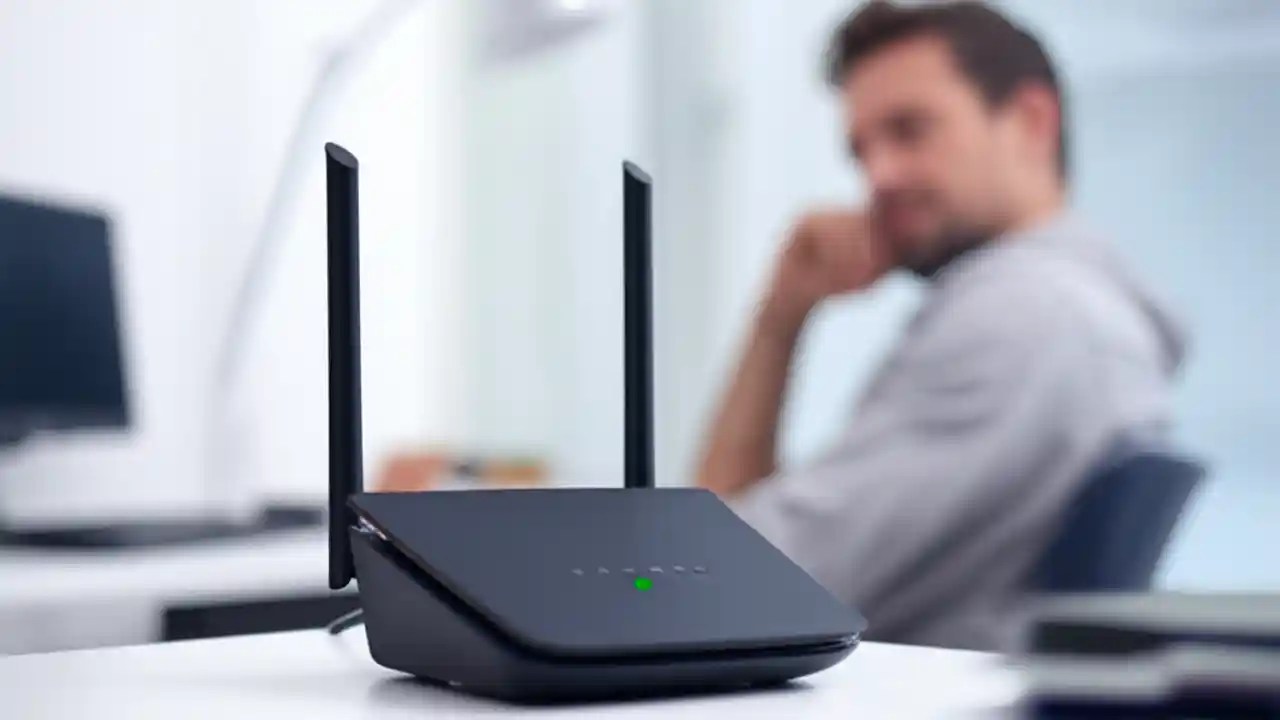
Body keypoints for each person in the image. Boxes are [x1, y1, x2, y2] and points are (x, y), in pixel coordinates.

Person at [696, 0, 1187, 650]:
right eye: (861, 151)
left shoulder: (1020, 318)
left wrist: (771, 323)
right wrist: (782, 317)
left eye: (910, 130)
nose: (879, 176)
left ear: (1030, 122)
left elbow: (709, 588)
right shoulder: (1098, 312)